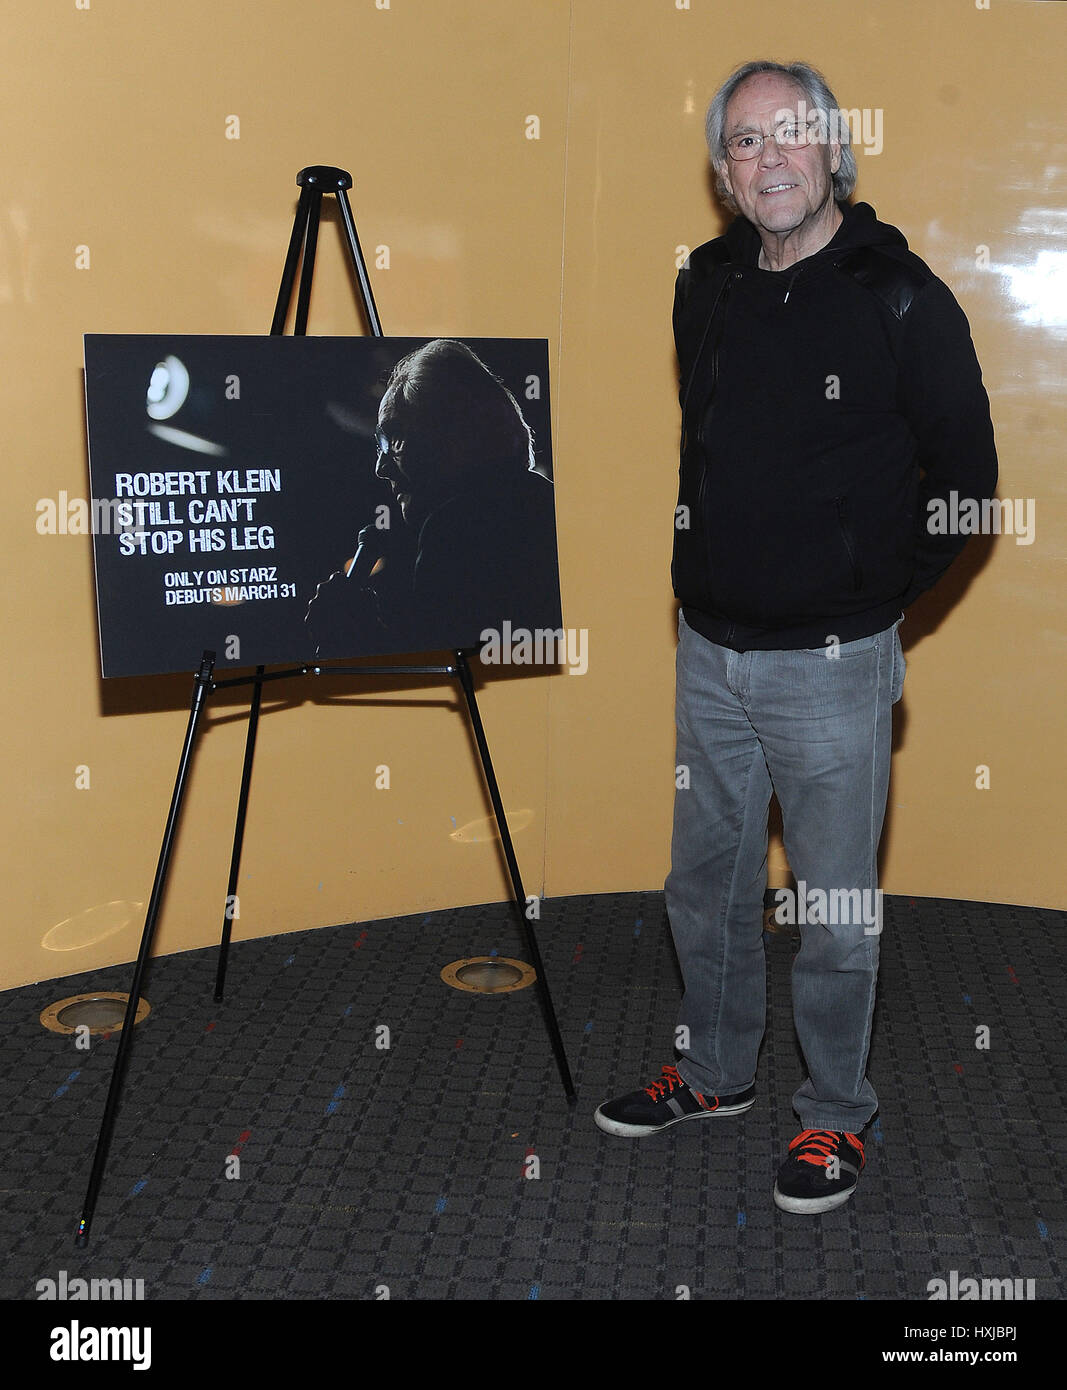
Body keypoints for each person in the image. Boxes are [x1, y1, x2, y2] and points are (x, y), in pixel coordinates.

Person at [595, 60, 998, 1214]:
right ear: (722, 175)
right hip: (708, 653)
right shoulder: (705, 283)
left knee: (830, 908)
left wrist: (870, 598)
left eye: (788, 135)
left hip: (833, 661)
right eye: (741, 143)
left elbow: (965, 483)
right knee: (702, 886)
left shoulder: (899, 294)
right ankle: (714, 1073)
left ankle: (833, 1116)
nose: (766, 158)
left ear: (832, 151)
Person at [305, 339, 561, 660]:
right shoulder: (545, 502)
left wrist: (353, 633)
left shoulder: (457, 525)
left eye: (395, 438)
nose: (381, 468)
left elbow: (451, 680)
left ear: (457, 431)